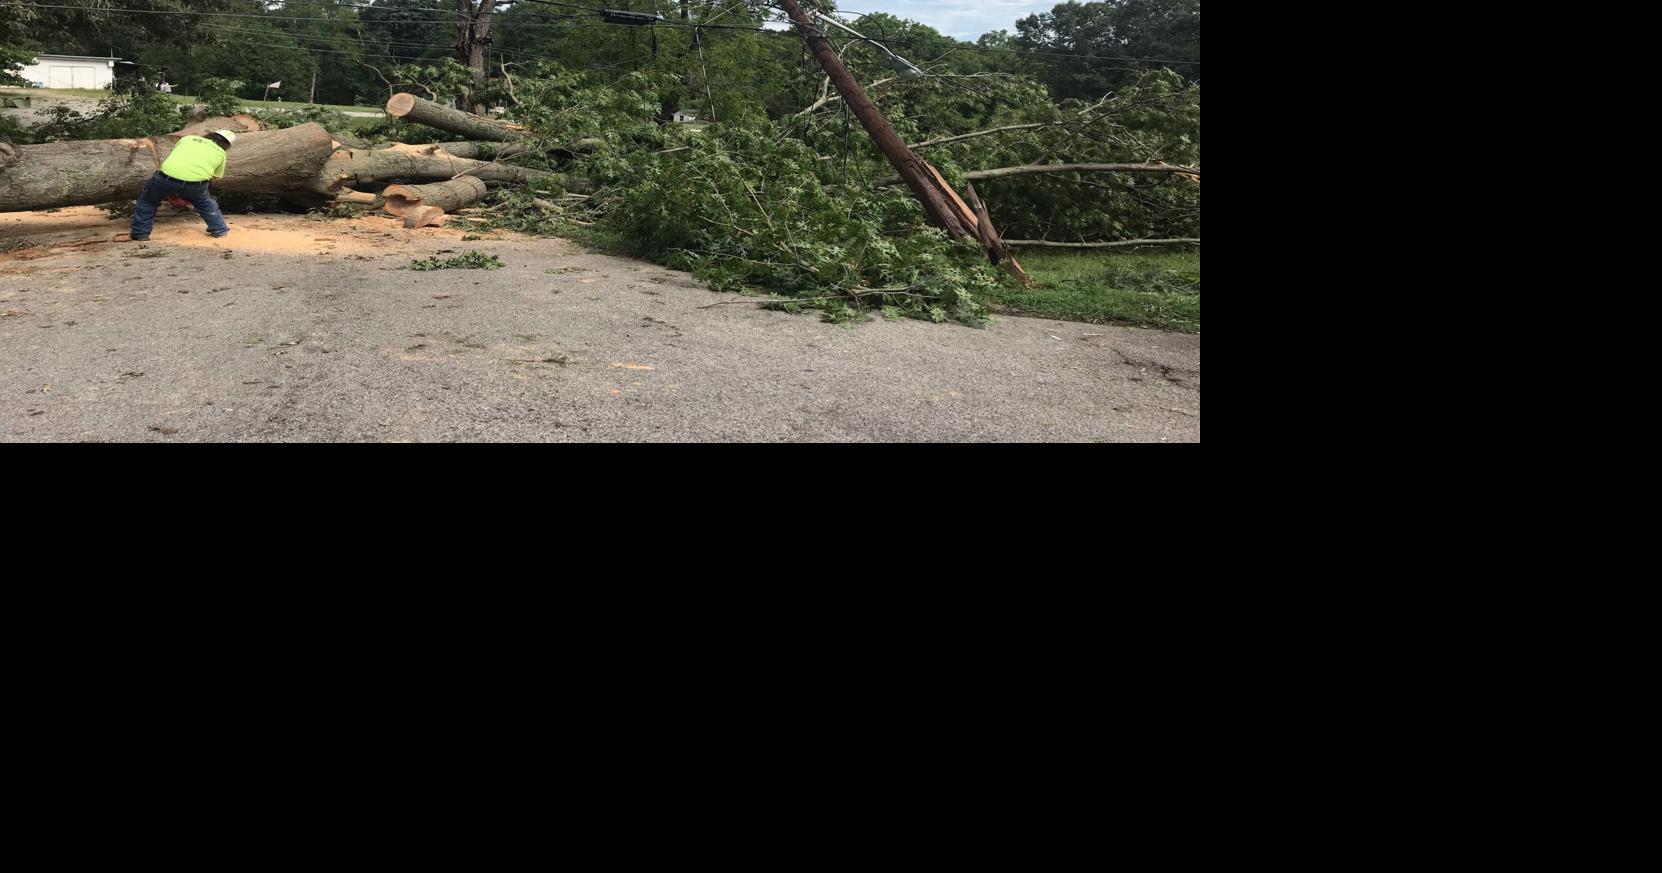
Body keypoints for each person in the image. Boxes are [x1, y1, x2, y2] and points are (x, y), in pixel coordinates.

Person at [130, 130, 236, 242]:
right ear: (227, 145)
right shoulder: (221, 153)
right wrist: (198, 192)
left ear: (210, 134)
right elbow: (213, 178)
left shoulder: (188, 138)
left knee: (148, 201)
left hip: (165, 178)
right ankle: (219, 230)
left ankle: (140, 234)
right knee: (206, 204)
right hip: (196, 184)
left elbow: (178, 156)